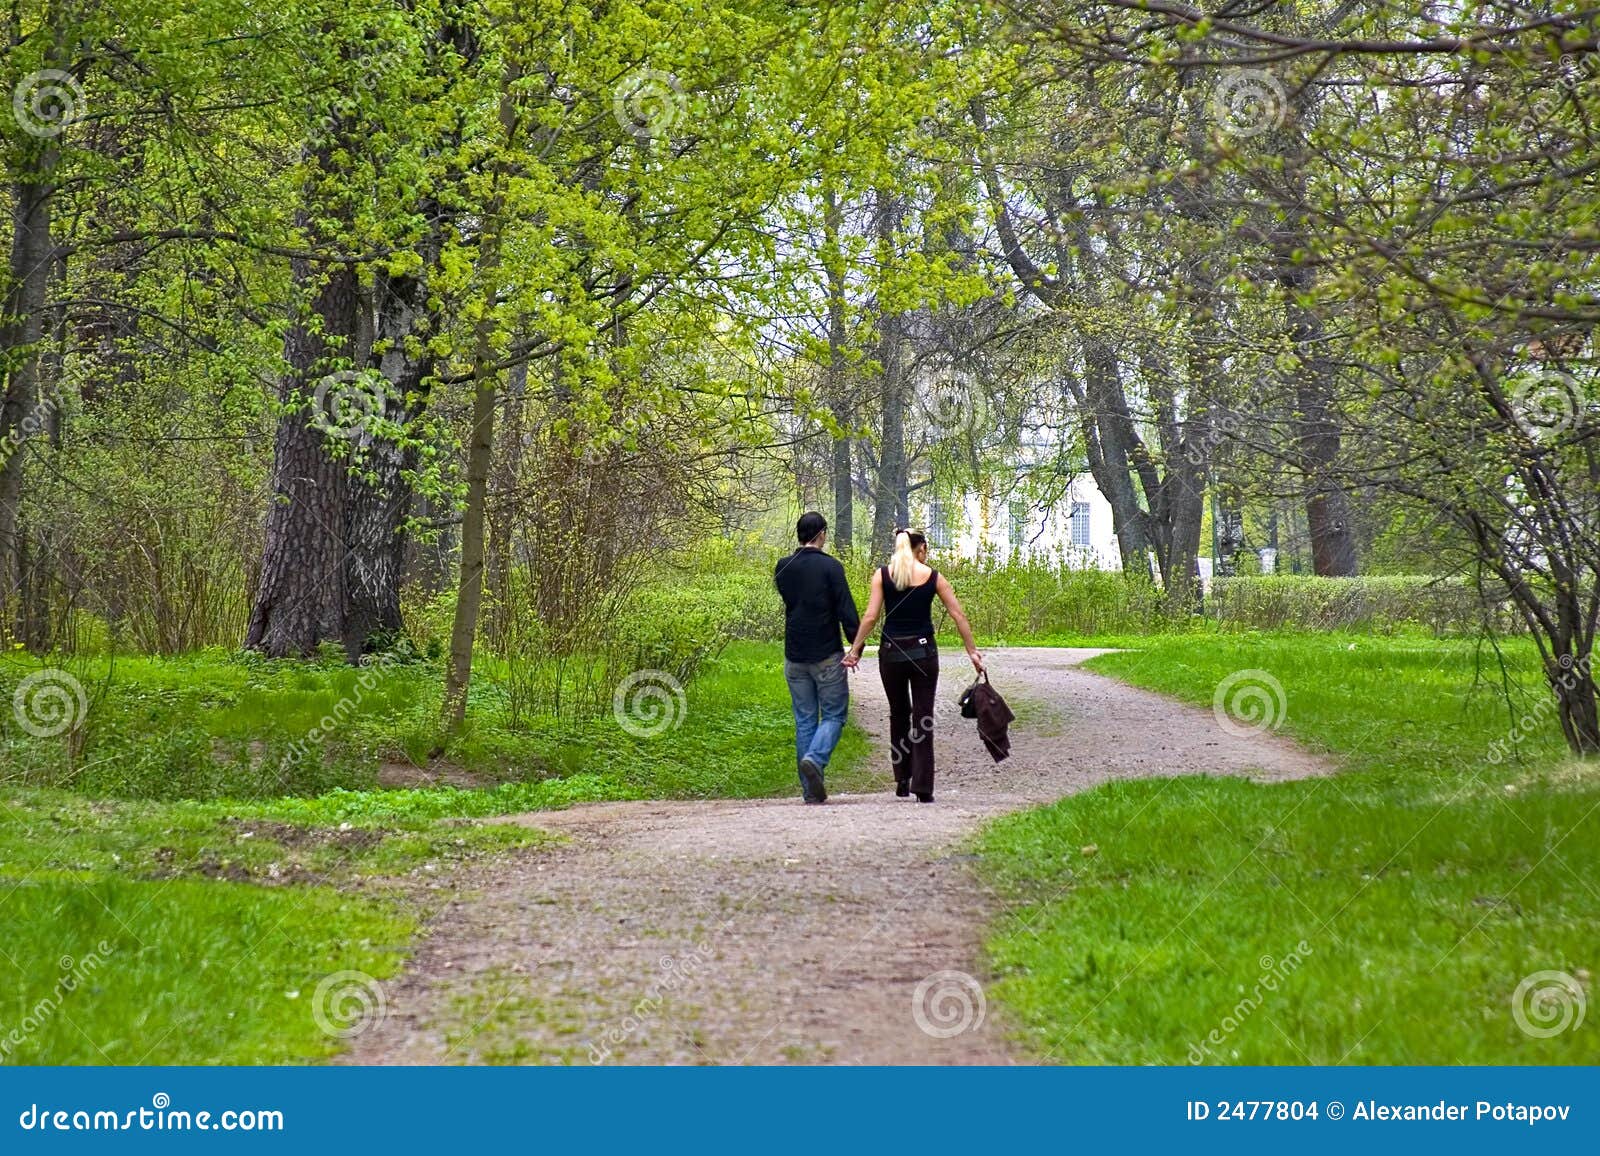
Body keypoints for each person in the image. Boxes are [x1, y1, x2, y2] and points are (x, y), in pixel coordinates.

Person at [842, 529, 983, 803]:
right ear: (922, 548)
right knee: (923, 717)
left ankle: (902, 778)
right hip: (923, 654)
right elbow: (958, 614)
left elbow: (871, 617)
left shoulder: (883, 575)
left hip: (891, 653)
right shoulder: (933, 577)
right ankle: (923, 786)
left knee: (898, 714)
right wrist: (973, 652)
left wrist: (855, 649)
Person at [774, 511, 861, 804]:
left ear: (798, 534)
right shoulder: (832, 568)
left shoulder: (783, 567)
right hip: (826, 653)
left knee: (805, 719)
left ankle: (811, 790)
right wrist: (856, 644)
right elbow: (845, 609)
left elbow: (792, 602)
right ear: (822, 533)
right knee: (835, 714)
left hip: (794, 655)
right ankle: (815, 758)